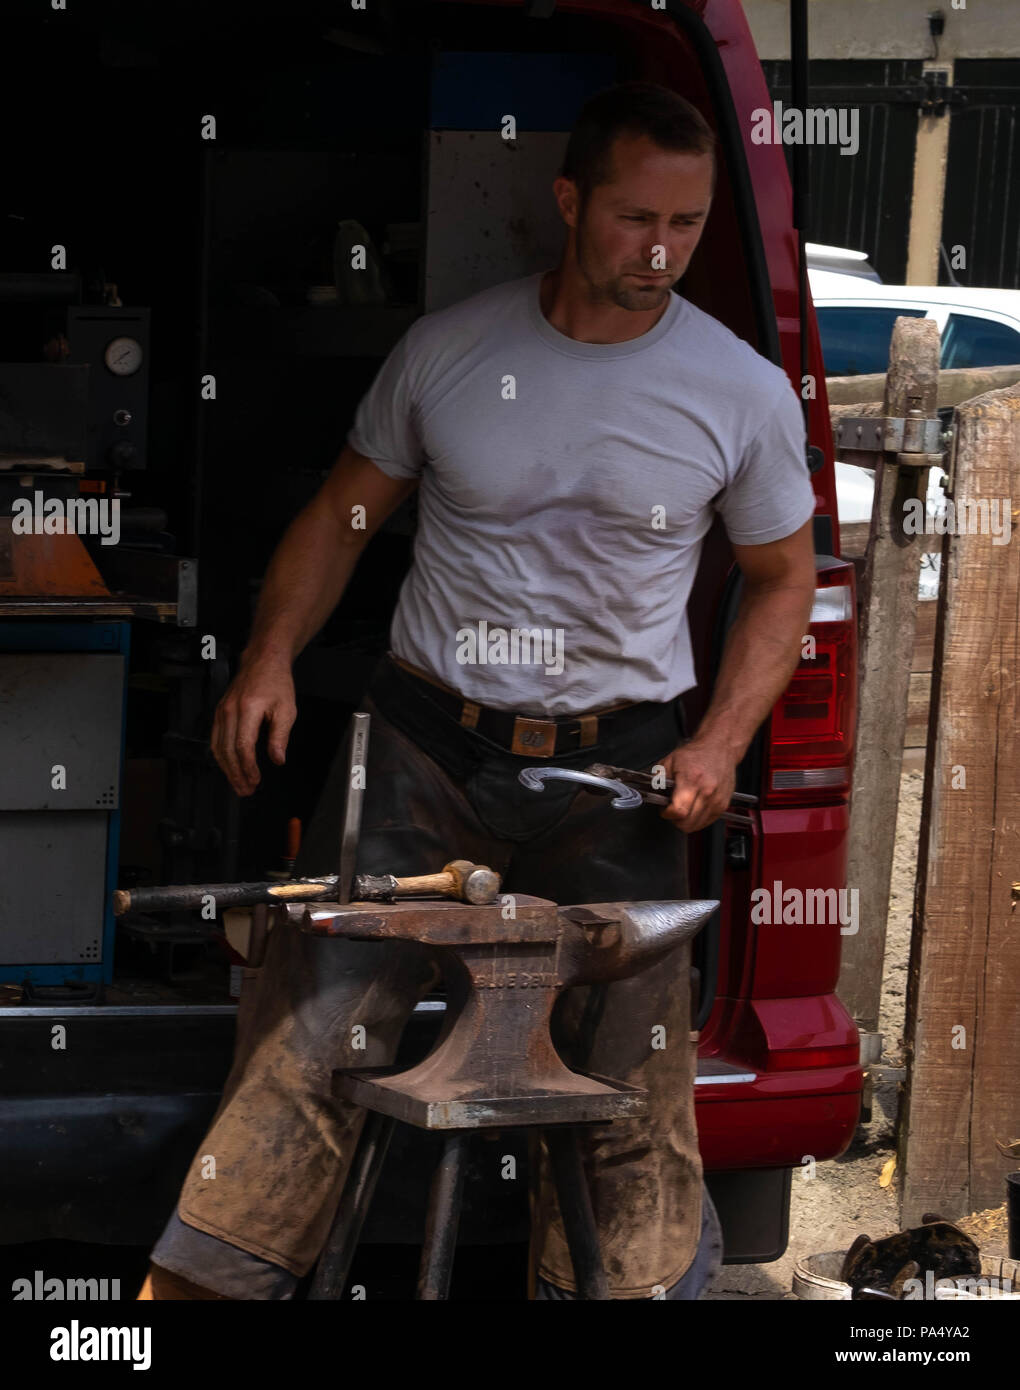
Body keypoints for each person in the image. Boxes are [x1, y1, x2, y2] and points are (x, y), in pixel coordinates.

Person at [138, 79, 817, 1301]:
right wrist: (268, 657)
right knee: (314, 1037)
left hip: (616, 779)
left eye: (686, 223)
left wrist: (719, 742)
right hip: (425, 755)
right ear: (568, 202)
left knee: (632, 1086)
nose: (660, 251)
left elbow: (781, 583)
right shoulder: (454, 350)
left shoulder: (740, 392)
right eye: (632, 219)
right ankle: (192, 1299)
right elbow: (345, 518)